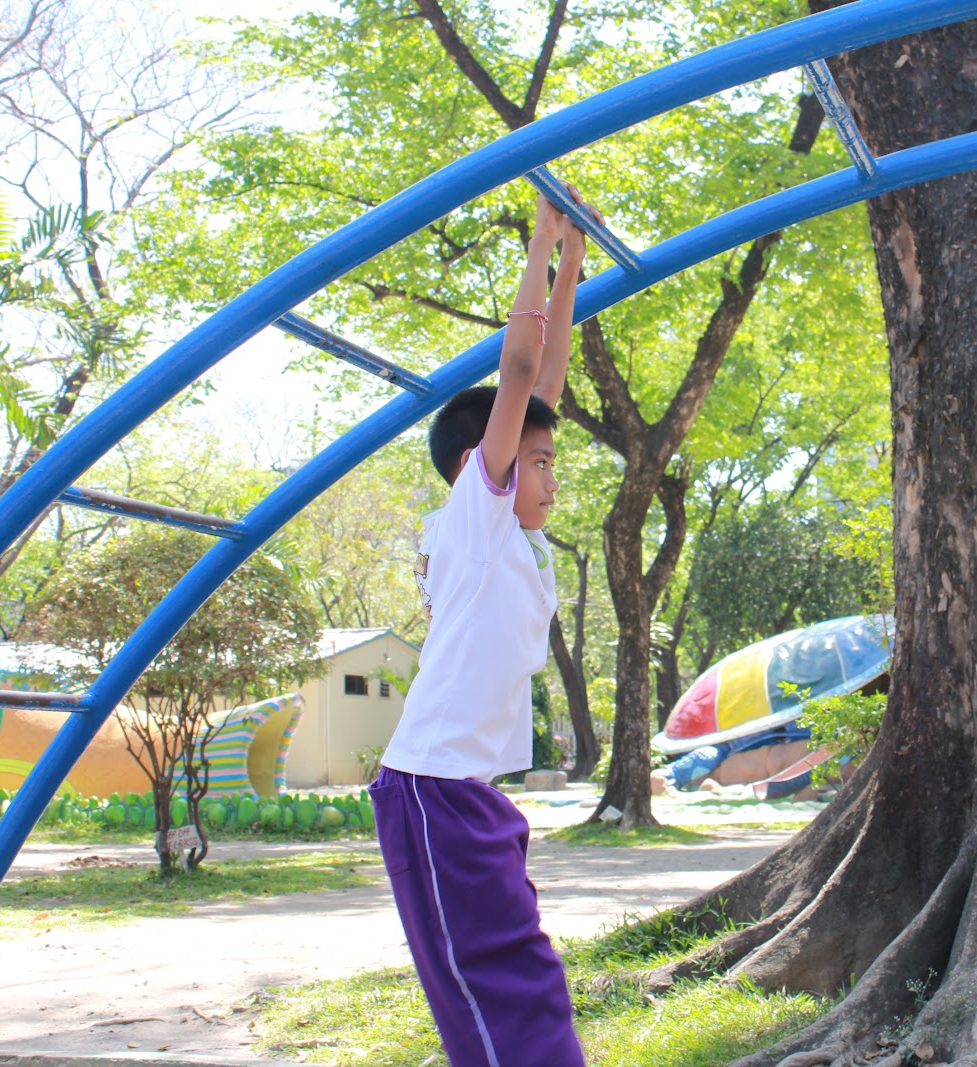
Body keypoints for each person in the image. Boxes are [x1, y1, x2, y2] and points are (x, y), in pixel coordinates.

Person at [368, 187, 599, 1067]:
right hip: (432, 788)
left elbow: (545, 384)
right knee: (492, 978)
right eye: (537, 461)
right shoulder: (475, 519)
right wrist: (540, 237)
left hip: (468, 790)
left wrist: (573, 264)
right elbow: (520, 374)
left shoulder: (513, 540)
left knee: (525, 969)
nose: (551, 477)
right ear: (482, 465)